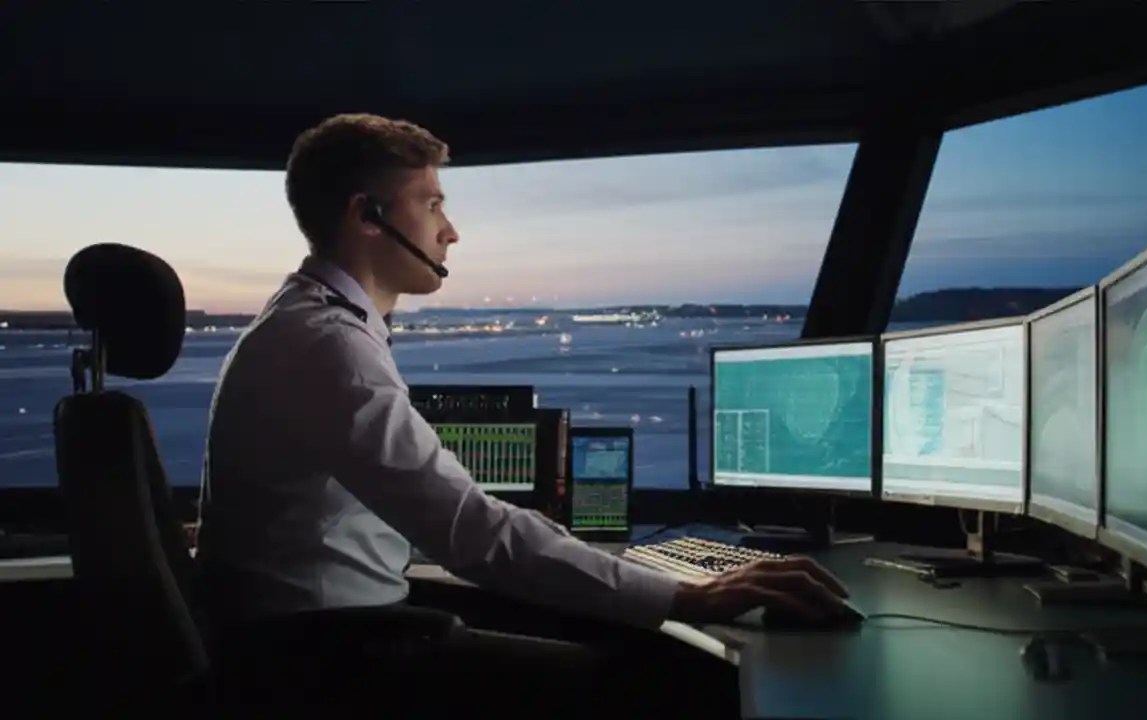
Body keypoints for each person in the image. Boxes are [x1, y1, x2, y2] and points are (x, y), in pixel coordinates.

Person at [193, 112, 849, 648]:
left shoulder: (303, 324)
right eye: (431, 204)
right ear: (369, 217)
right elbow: (472, 534)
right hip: (323, 660)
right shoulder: (331, 347)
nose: (451, 231)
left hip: (311, 636)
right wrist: (690, 595)